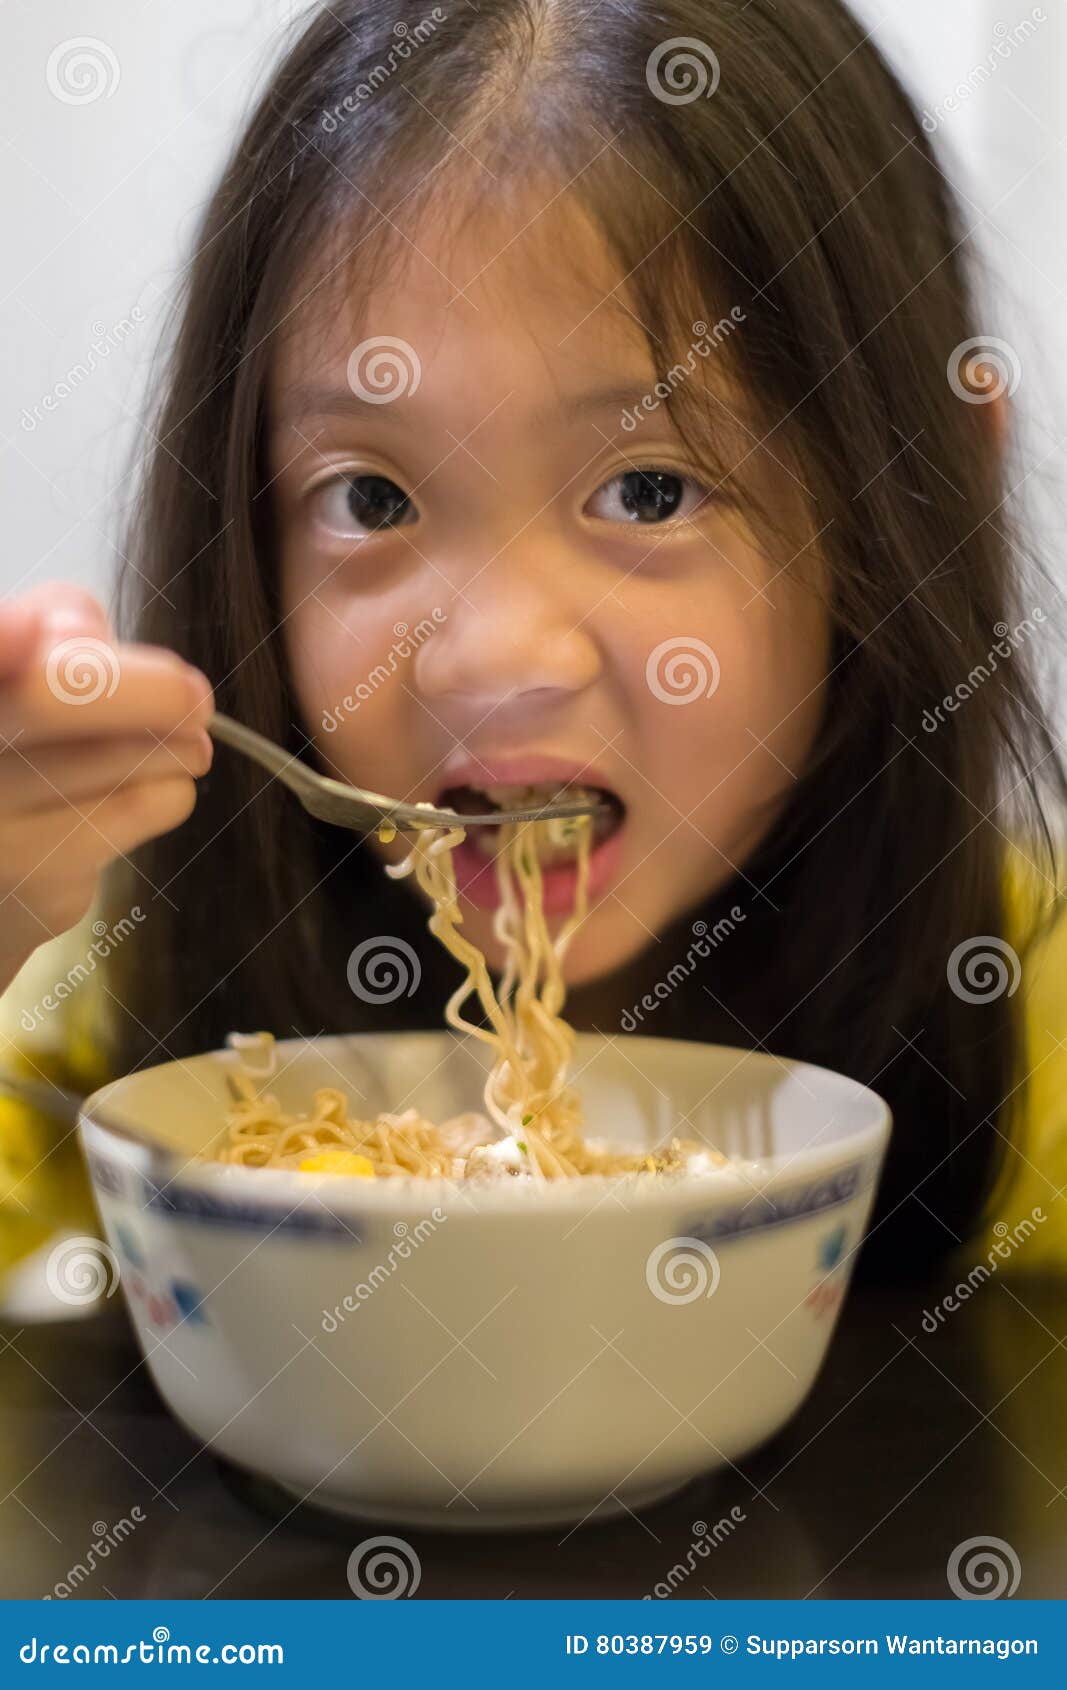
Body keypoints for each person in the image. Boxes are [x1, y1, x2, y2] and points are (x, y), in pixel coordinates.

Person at [1, 0, 1064, 1290]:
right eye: (371, 500)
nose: (490, 658)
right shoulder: (99, 1005)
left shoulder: (1041, 1019)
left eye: (651, 491)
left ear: (927, 493)